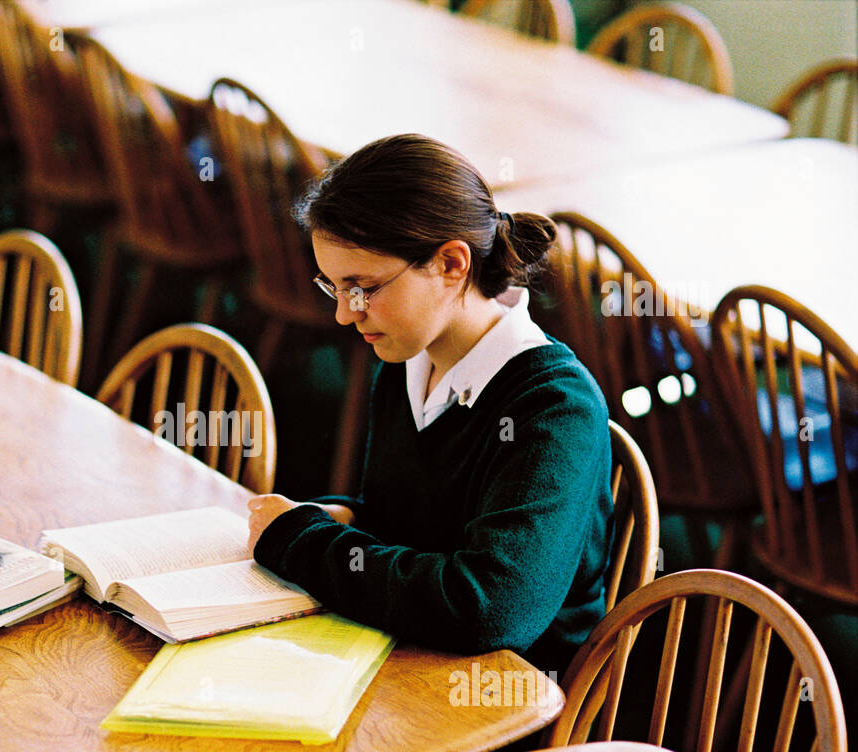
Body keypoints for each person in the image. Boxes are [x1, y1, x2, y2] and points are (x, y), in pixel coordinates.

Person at [246, 134, 613, 675]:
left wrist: (301, 543)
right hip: (403, 654)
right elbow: (416, 528)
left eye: (363, 287)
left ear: (451, 264)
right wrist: (345, 518)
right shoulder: (405, 361)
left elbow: (485, 610)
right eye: (336, 289)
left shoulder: (556, 410)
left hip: (507, 706)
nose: (346, 316)